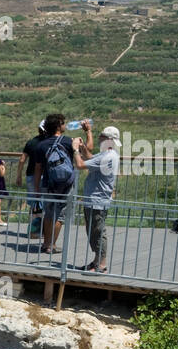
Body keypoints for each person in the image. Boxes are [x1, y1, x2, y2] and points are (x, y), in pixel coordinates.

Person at [31, 114, 90, 254]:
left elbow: (38, 168)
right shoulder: (68, 141)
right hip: (66, 184)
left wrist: (37, 187)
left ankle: (46, 244)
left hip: (48, 183)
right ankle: (52, 245)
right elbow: (88, 152)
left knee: (49, 213)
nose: (65, 125)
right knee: (60, 215)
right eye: (63, 123)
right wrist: (88, 132)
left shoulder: (41, 145)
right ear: (58, 126)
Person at [79, 125, 121, 271]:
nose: (99, 138)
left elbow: (80, 164)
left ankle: (101, 264)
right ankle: (96, 261)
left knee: (98, 232)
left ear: (108, 140)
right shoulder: (108, 154)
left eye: (101, 136)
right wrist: (86, 136)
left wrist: (73, 149)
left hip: (98, 200)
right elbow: (89, 158)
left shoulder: (107, 157)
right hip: (95, 199)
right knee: (94, 231)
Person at [20, 120, 49, 237]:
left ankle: (32, 230)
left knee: (33, 203)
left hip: (31, 175)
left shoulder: (31, 142)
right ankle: (41, 231)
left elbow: (22, 159)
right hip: (45, 175)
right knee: (44, 203)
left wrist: (18, 175)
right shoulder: (49, 143)